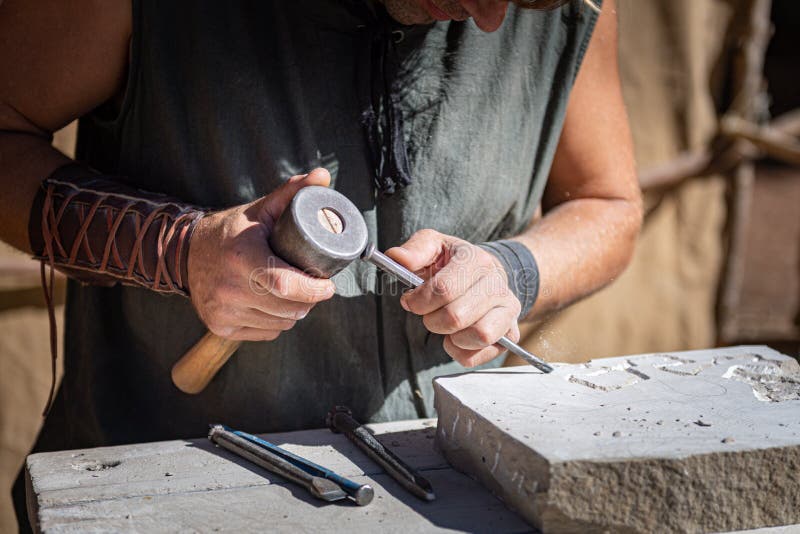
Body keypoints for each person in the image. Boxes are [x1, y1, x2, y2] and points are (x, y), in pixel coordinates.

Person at [2, 0, 640, 527]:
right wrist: (176, 248)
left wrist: (511, 272)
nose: (494, 21)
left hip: (456, 494)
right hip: (160, 487)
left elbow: (608, 202)